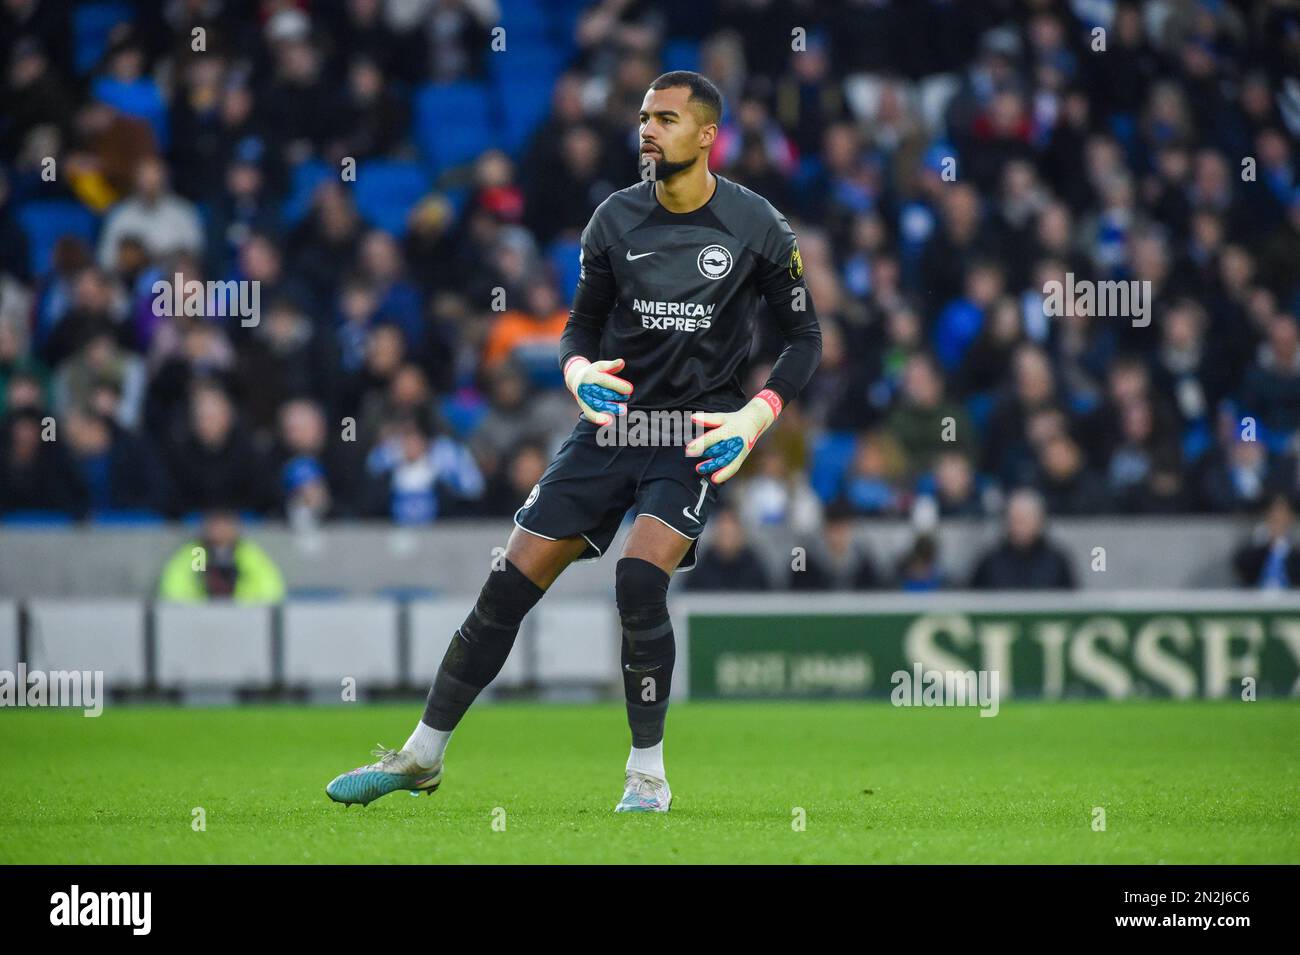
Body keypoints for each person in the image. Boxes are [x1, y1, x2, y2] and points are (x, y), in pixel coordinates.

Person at [325, 71, 821, 813]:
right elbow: (578, 327)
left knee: (638, 579)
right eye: (645, 116)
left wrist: (757, 414)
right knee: (507, 585)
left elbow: (804, 337)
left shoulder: (759, 227)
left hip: (689, 436)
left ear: (708, 135)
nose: (647, 129)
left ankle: (646, 774)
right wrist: (578, 370)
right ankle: (421, 756)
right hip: (608, 430)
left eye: (666, 118)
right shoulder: (613, 221)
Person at [157, 511, 286, 603]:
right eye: (214, 523)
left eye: (226, 523)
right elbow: (178, 586)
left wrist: (242, 609)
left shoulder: (246, 553)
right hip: (199, 619)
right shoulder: (199, 552)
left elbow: (270, 589)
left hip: (244, 617)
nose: (220, 528)